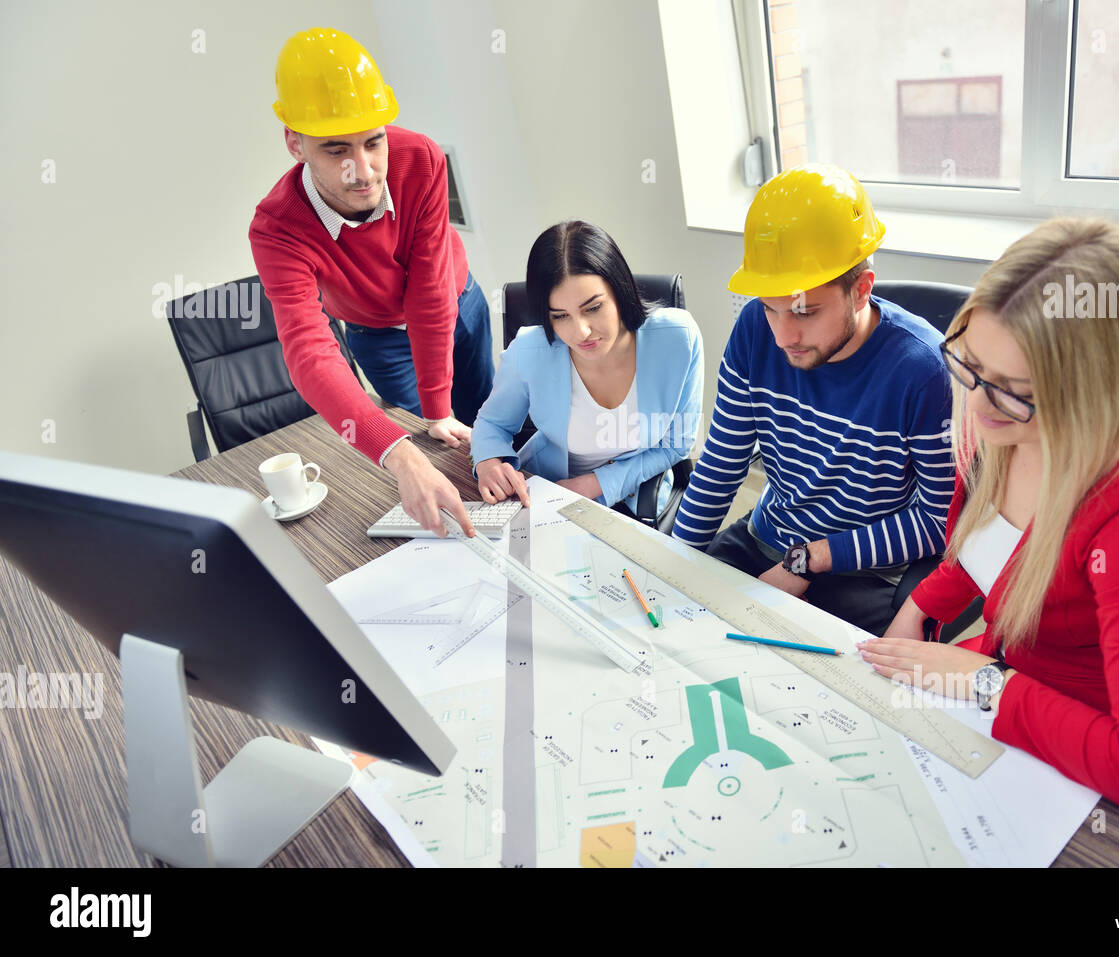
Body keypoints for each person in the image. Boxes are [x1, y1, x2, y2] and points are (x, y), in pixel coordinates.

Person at [859, 217, 1119, 828]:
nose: (973, 404)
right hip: (996, 692)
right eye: (968, 364)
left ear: (1092, 393)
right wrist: (921, 605)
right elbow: (989, 551)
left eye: (1013, 390)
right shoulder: (998, 425)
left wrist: (985, 683)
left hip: (1081, 746)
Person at [670, 165, 955, 635]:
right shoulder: (754, 333)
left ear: (861, 290)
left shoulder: (922, 369)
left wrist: (811, 560)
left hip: (863, 570)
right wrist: (673, 560)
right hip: (768, 537)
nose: (783, 336)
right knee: (677, 636)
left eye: (804, 311)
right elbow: (722, 463)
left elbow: (936, 521)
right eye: (770, 308)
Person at [249, 28, 493, 537]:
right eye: (337, 150)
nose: (363, 171)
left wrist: (440, 404)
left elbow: (428, 290)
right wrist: (401, 451)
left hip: (458, 303)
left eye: (373, 142)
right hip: (378, 336)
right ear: (295, 143)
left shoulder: (421, 159)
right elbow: (310, 351)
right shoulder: (276, 228)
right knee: (420, 454)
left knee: (487, 434)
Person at [471, 221, 703, 514]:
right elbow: (492, 423)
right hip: (545, 492)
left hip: (633, 496)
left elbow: (677, 444)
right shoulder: (530, 350)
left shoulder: (677, 338)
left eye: (593, 308)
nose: (580, 332)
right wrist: (488, 462)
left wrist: (595, 484)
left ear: (620, 289)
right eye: (560, 316)